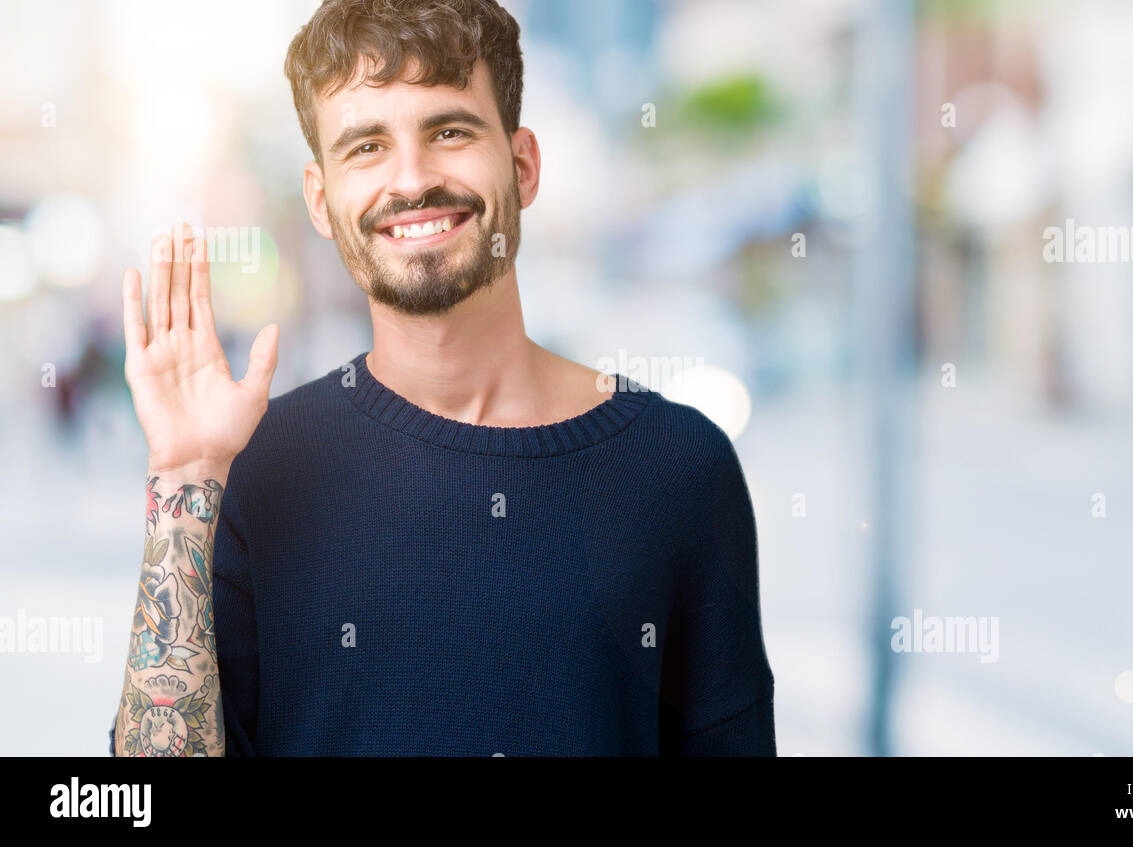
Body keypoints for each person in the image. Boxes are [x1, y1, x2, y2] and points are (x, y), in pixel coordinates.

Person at [109, 0, 775, 756]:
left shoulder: (678, 465)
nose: (413, 179)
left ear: (522, 165)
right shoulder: (248, 471)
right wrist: (186, 478)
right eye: (366, 146)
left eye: (449, 130)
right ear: (322, 202)